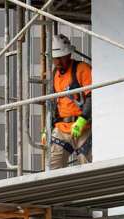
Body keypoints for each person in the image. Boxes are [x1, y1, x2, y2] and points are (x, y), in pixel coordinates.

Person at [47, 34, 92, 169]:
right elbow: (53, 103)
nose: (59, 62)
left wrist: (83, 119)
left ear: (68, 55)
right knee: (52, 167)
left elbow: (92, 95)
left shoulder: (82, 69)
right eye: (56, 59)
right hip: (62, 128)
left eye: (61, 58)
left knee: (87, 165)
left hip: (83, 127)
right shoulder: (55, 75)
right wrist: (47, 127)